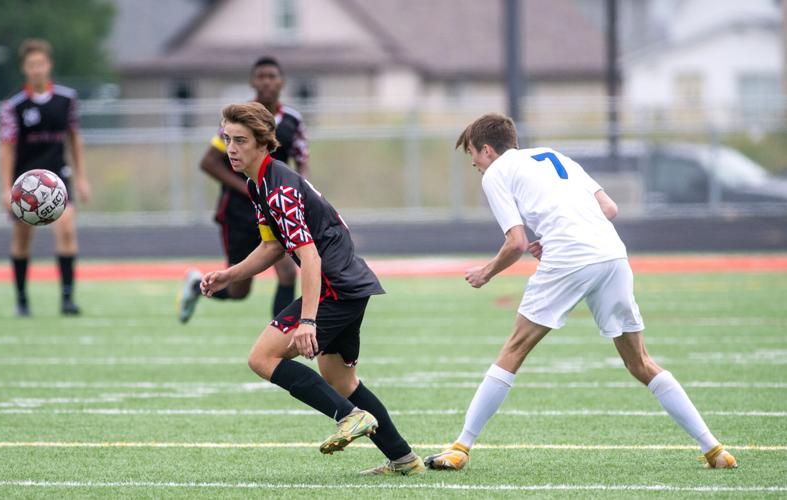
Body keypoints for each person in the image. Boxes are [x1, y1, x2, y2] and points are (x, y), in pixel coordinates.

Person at [423, 113, 737, 471]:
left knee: (514, 349)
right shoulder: (555, 157)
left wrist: (486, 273)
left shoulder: (496, 173)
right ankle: (715, 450)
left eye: (473, 155)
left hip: (570, 256)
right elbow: (609, 208)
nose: (475, 164)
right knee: (640, 362)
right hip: (612, 253)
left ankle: (461, 447)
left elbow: (516, 242)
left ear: (488, 149)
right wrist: (556, 233)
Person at [199, 102, 425, 476]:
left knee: (262, 358)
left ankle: (348, 417)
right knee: (341, 379)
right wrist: (230, 275)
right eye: (227, 139)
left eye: (240, 140)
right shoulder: (260, 184)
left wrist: (307, 321)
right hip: (351, 285)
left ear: (263, 144)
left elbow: (310, 257)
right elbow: (272, 247)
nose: (231, 148)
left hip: (335, 286)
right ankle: (404, 459)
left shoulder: (278, 188)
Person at [178, 56, 308, 323]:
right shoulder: (240, 117)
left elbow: (301, 160)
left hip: (274, 207)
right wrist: (248, 188)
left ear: (281, 81)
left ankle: (280, 339)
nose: (267, 82)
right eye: (261, 76)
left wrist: (301, 193)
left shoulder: (293, 120)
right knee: (239, 290)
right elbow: (209, 162)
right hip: (238, 211)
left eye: (272, 76)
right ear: (252, 81)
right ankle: (196, 287)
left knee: (287, 272)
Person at [0, 39, 90, 317]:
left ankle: (67, 298)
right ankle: (22, 300)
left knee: (66, 230)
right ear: (24, 69)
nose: (36, 69)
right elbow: (7, 147)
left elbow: (74, 139)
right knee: (22, 239)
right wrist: (6, 188)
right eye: (31, 65)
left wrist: (82, 177)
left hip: (57, 180)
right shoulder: (13, 106)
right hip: (24, 183)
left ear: (48, 65)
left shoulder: (66, 100)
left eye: (41, 64)